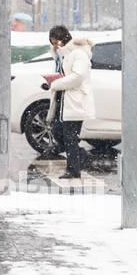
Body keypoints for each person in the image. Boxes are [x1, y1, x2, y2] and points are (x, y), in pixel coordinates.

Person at [46, 25, 95, 179]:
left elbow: (77, 77)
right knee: (57, 131)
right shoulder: (63, 54)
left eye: (56, 42)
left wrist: (56, 83)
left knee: (69, 136)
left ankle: (73, 169)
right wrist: (51, 81)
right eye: (52, 43)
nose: (54, 46)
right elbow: (63, 73)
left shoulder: (78, 54)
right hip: (64, 99)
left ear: (64, 39)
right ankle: (81, 156)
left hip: (75, 100)